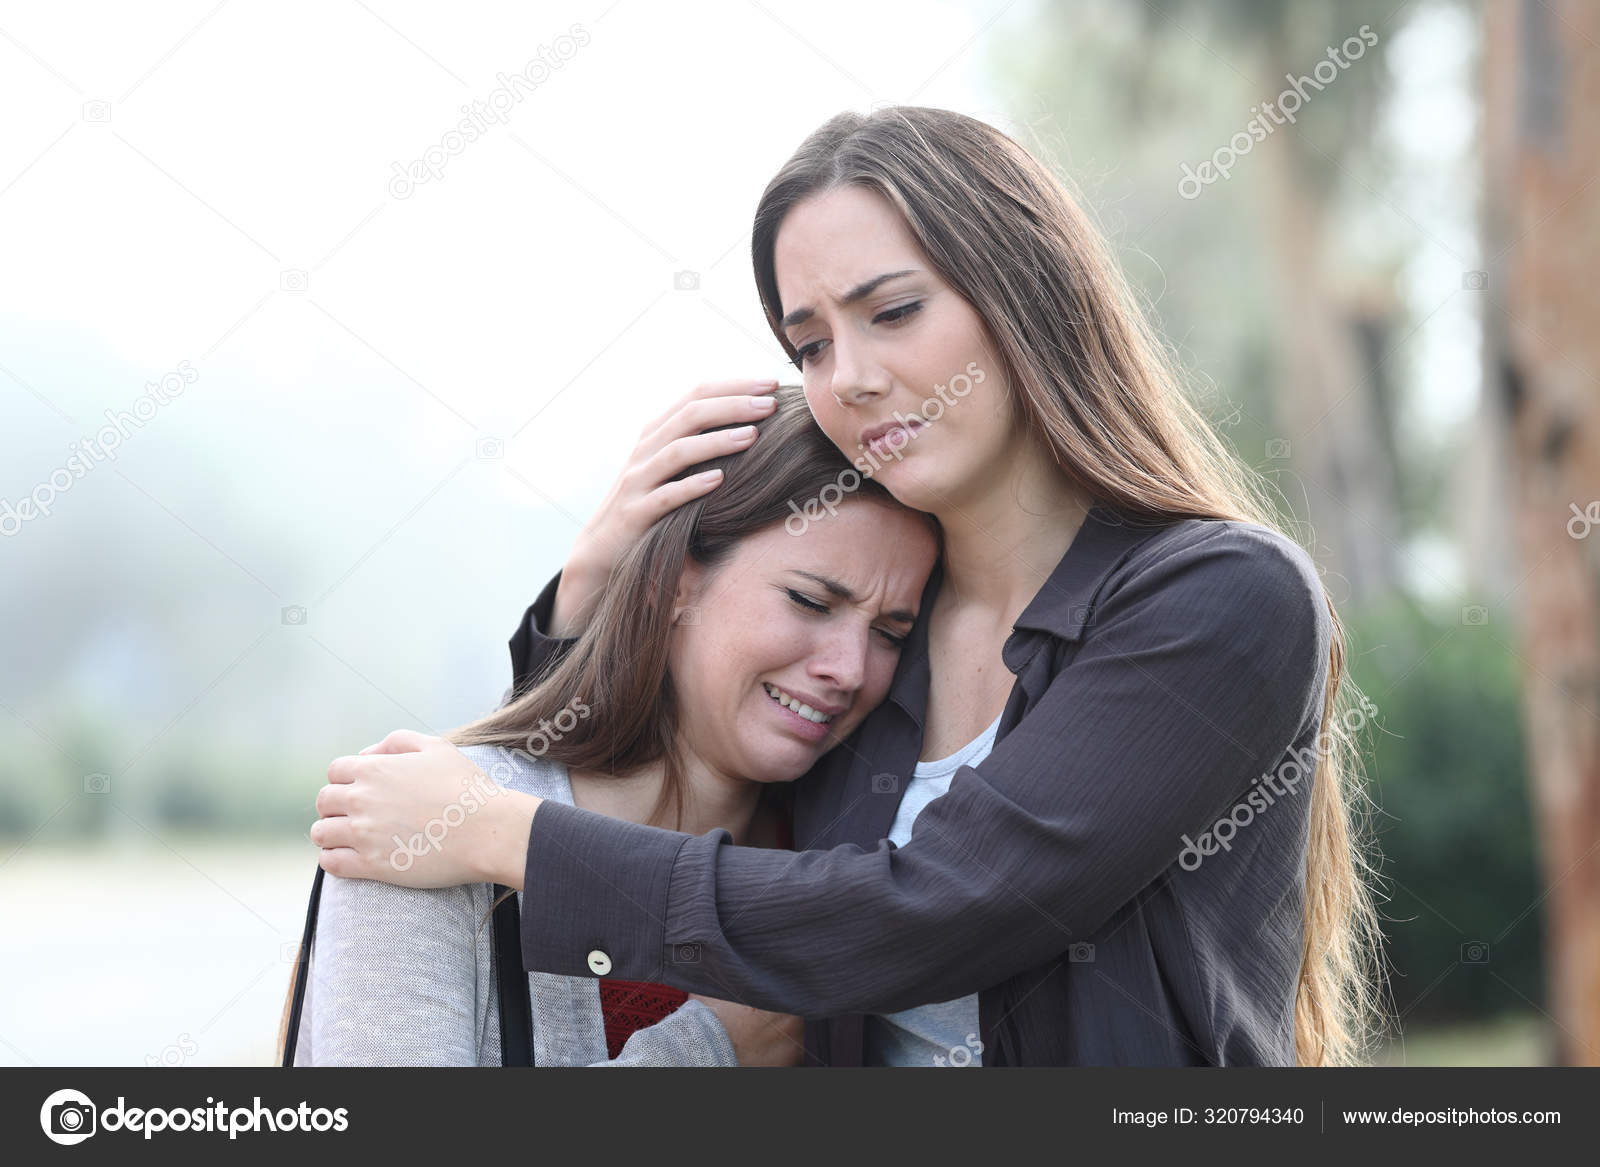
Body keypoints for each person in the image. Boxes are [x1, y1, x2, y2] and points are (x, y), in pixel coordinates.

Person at [310, 105, 1383, 1066]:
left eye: (893, 311)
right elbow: (681, 762)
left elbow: (945, 910)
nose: (850, 379)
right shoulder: (880, 639)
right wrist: (602, 583)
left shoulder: (1219, 598)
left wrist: (502, 835)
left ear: (1027, 290)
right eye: (809, 343)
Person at [281, 385, 939, 1065]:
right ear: (677, 583)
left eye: (891, 633)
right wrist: (704, 1052)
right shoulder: (427, 820)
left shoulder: (842, 872)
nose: (850, 668)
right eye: (810, 600)